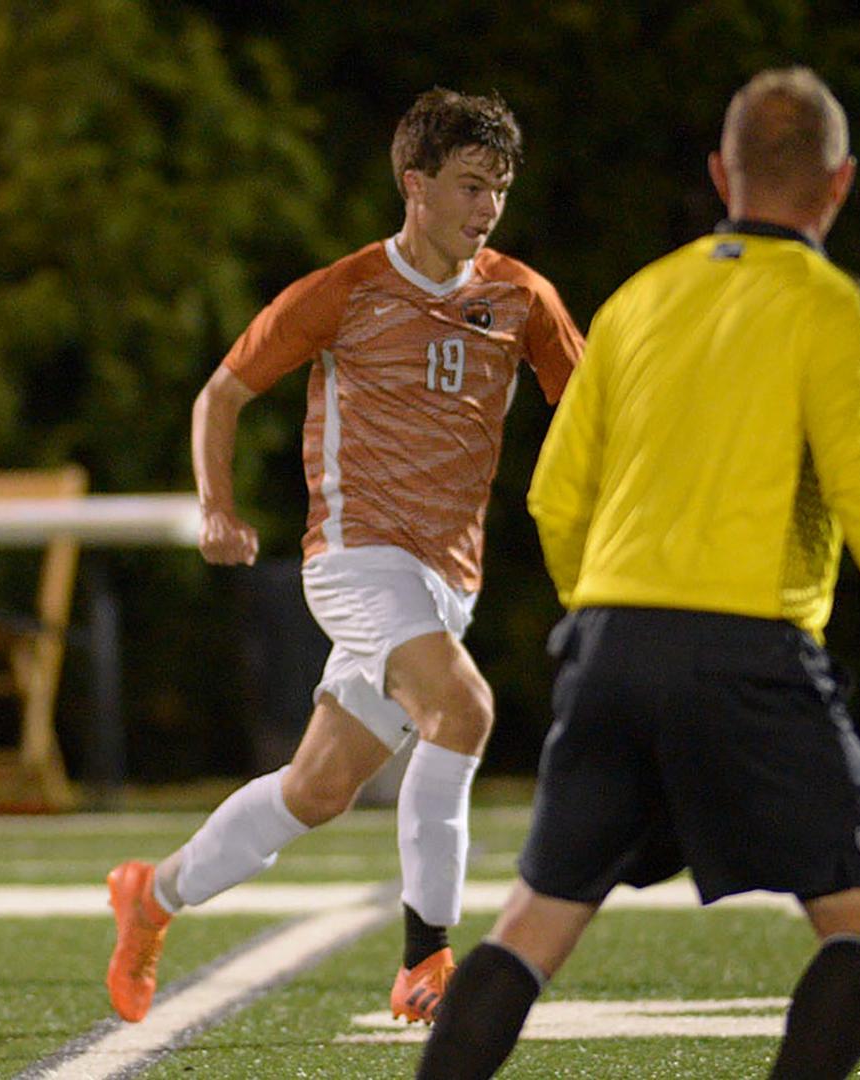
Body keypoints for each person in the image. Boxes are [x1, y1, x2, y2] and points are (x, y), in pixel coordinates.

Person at [417, 69, 860, 1079]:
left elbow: (554, 497)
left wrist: (603, 622)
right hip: (746, 650)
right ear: (840, 183)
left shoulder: (639, 298)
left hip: (607, 642)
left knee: (530, 926)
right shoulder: (836, 304)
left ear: (721, 173)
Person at [104, 88, 583, 1027]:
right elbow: (222, 395)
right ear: (416, 185)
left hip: (449, 580)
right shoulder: (349, 288)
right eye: (470, 186)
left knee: (318, 790)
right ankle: (426, 961)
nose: (488, 208)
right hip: (357, 558)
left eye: (501, 189)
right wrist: (218, 509)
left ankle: (150, 896)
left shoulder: (523, 297)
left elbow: (594, 415)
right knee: (465, 708)